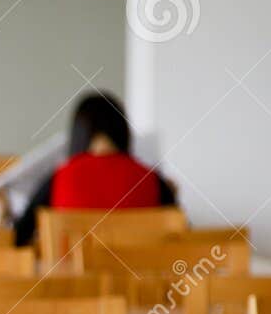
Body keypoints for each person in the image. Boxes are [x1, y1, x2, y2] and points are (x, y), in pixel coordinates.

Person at [12, 91, 176, 247]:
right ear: (123, 132)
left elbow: (19, 236)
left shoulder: (59, 178)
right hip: (141, 275)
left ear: (77, 135)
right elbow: (181, 235)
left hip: (72, 276)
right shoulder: (152, 179)